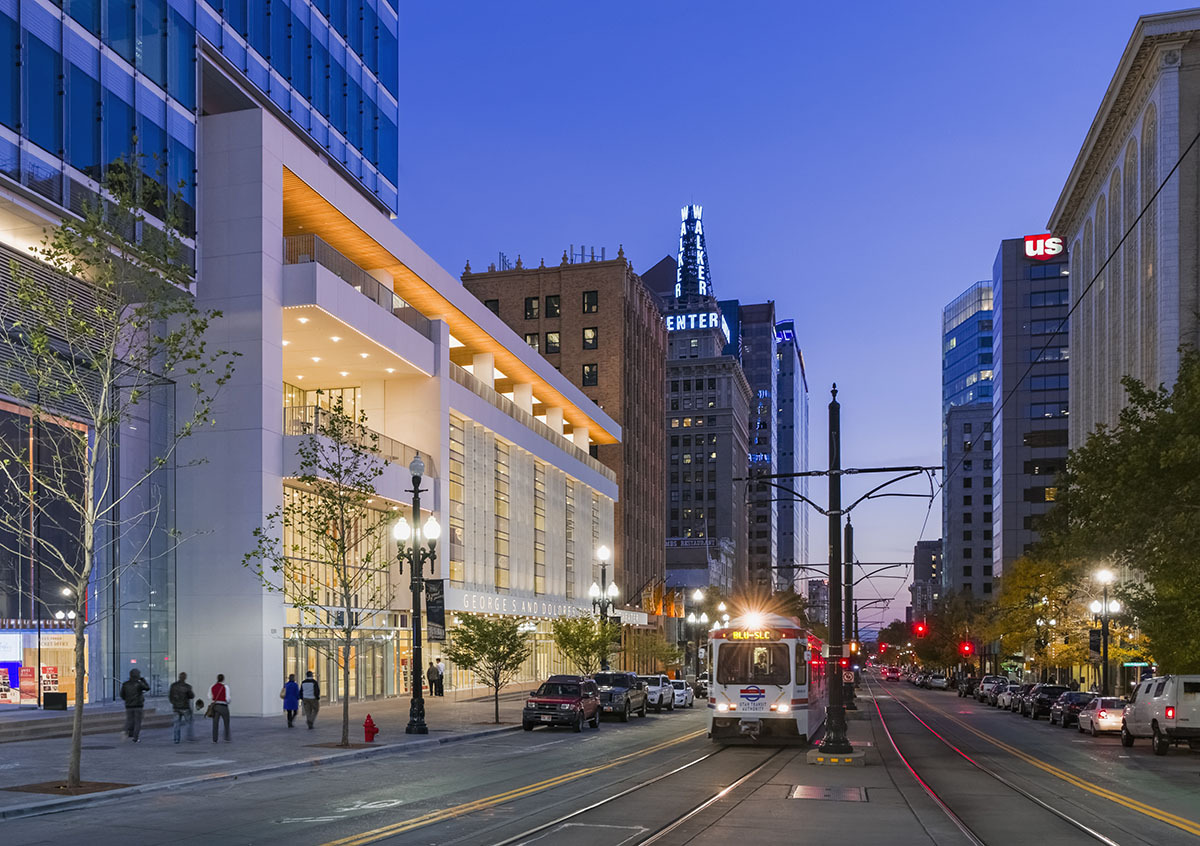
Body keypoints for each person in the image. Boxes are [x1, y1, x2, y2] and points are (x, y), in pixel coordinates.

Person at [120, 668, 150, 742]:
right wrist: (143, 680)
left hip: (128, 705)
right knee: (137, 722)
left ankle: (125, 731)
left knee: (129, 720)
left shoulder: (125, 684)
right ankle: (135, 737)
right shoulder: (139, 684)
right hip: (138, 705)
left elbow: (122, 695)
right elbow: (147, 688)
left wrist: (127, 700)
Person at [169, 671, 195, 743]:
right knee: (188, 723)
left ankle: (176, 739)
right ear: (185, 678)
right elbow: (192, 696)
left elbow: (170, 696)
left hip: (176, 707)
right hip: (185, 707)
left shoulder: (173, 686)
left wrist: (174, 703)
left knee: (176, 724)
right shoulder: (187, 686)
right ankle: (189, 737)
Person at [210, 673, 231, 742]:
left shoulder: (212, 686)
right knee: (226, 722)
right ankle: (227, 737)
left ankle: (215, 739)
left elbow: (209, 696)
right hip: (223, 706)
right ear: (223, 679)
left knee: (215, 723)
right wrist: (227, 702)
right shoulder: (225, 687)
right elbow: (227, 698)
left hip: (215, 706)